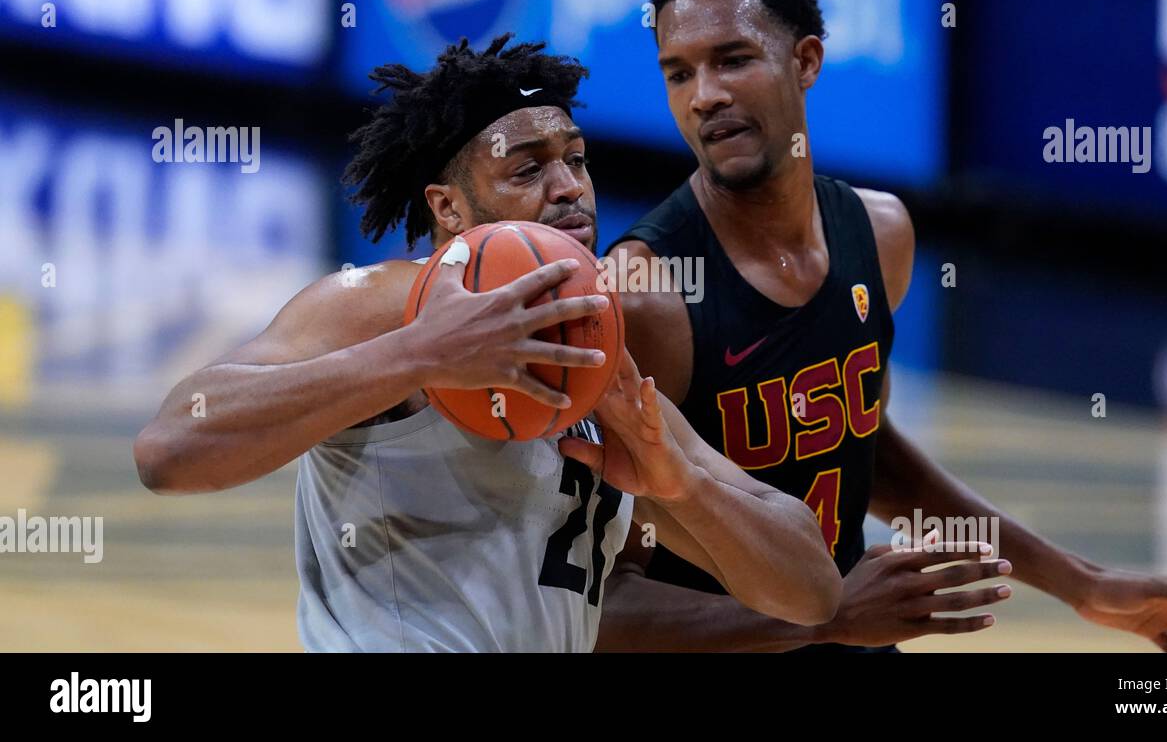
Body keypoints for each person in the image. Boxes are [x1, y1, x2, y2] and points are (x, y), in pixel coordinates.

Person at [598, 0, 1167, 653]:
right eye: (678, 73)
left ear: (807, 61)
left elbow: (860, 448)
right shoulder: (644, 294)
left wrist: (1081, 583)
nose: (706, 96)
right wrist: (817, 619)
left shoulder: (880, 233)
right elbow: (604, 604)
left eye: (733, 59)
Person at [132, 34, 841, 652]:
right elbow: (168, 451)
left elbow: (810, 591)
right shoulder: (386, 304)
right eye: (528, 169)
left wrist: (678, 486)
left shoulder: (596, 342)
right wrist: (419, 354)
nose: (570, 189)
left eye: (576, 160)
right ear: (448, 206)